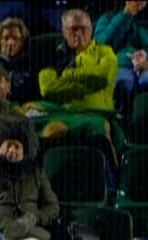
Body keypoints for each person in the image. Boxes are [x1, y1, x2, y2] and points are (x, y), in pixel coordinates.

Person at [32, 9, 123, 162]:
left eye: (83, 29)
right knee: (44, 128)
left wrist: (68, 76)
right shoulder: (54, 56)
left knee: (97, 128)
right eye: (74, 29)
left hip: (97, 114)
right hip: (64, 114)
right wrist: (88, 85)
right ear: (64, 31)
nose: (79, 34)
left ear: (91, 30)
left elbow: (102, 78)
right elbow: (48, 89)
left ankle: (109, 176)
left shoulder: (105, 52)